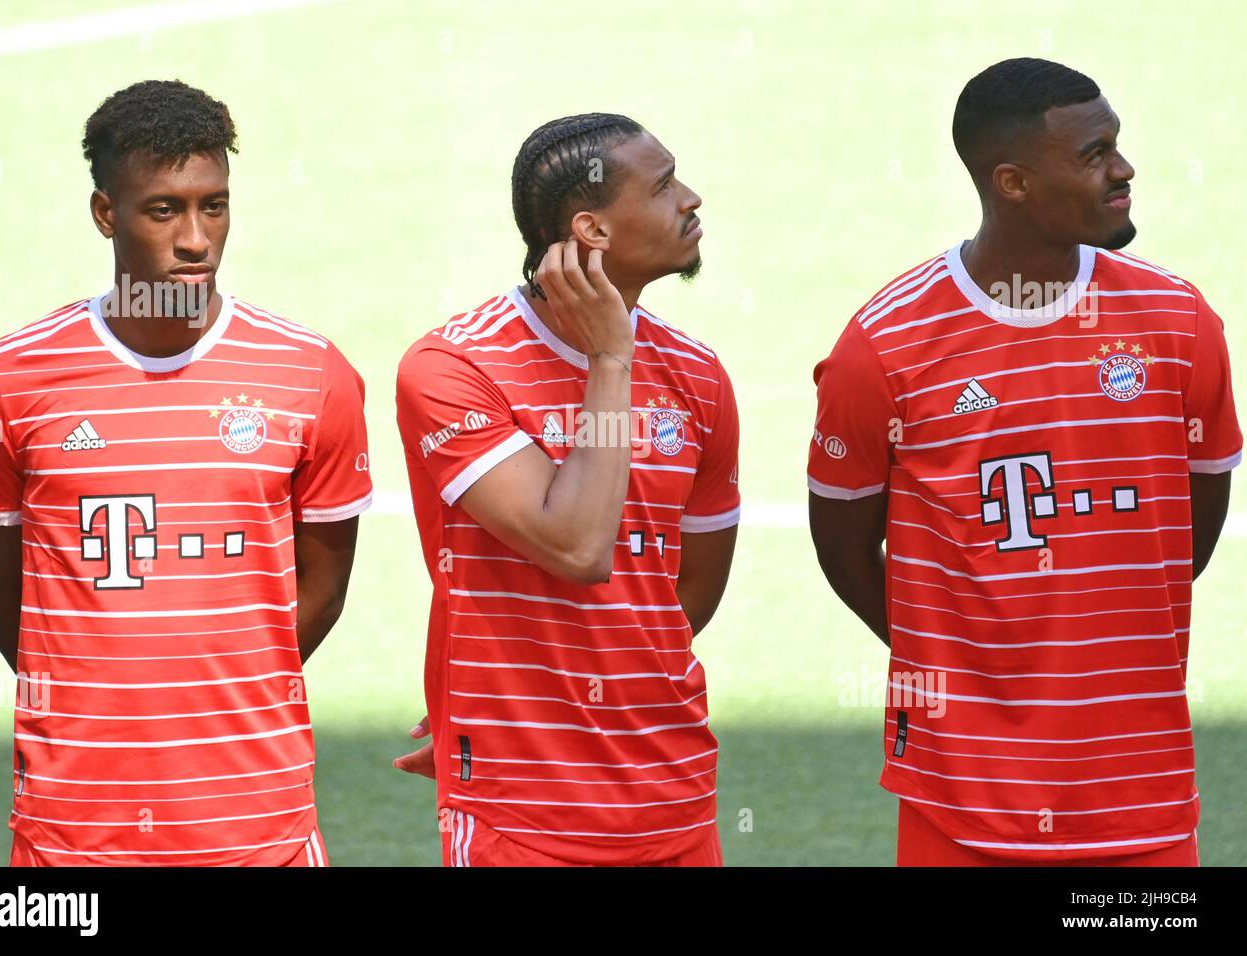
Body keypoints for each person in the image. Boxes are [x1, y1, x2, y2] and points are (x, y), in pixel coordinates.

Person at [806, 58, 1240, 866]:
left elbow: (1192, 529)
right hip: (959, 790)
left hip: (1139, 789)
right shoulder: (884, 348)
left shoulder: (1180, 324)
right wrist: (951, 658)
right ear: (1011, 182)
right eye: (1092, 154)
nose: (1123, 169)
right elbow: (841, 544)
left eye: (1117, 145)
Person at [0, 80, 371, 866]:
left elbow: (321, 589)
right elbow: (6, 603)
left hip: (258, 821)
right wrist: (104, 696)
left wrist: (220, 687)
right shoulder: (7, 381)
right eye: (164, 210)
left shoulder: (313, 376)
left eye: (213, 206)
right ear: (106, 214)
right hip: (74, 828)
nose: (195, 239)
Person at [393, 113, 740, 866]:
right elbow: (577, 545)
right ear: (593, 229)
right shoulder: (454, 371)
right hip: (519, 809)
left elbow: (686, 593)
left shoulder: (700, 377)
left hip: (673, 790)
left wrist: (584, 696)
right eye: (662, 186)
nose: (691, 198)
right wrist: (611, 361)